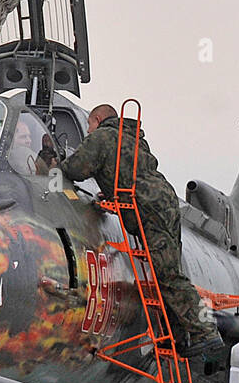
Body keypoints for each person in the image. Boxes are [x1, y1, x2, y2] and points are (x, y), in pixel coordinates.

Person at [55, 103, 222, 358]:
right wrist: (111, 192)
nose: (88, 132)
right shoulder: (130, 138)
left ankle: (205, 331)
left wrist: (57, 165)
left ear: (98, 120)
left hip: (151, 209)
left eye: (89, 125)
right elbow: (128, 174)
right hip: (163, 202)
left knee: (168, 276)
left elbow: (77, 169)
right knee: (164, 273)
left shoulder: (102, 137)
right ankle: (180, 338)